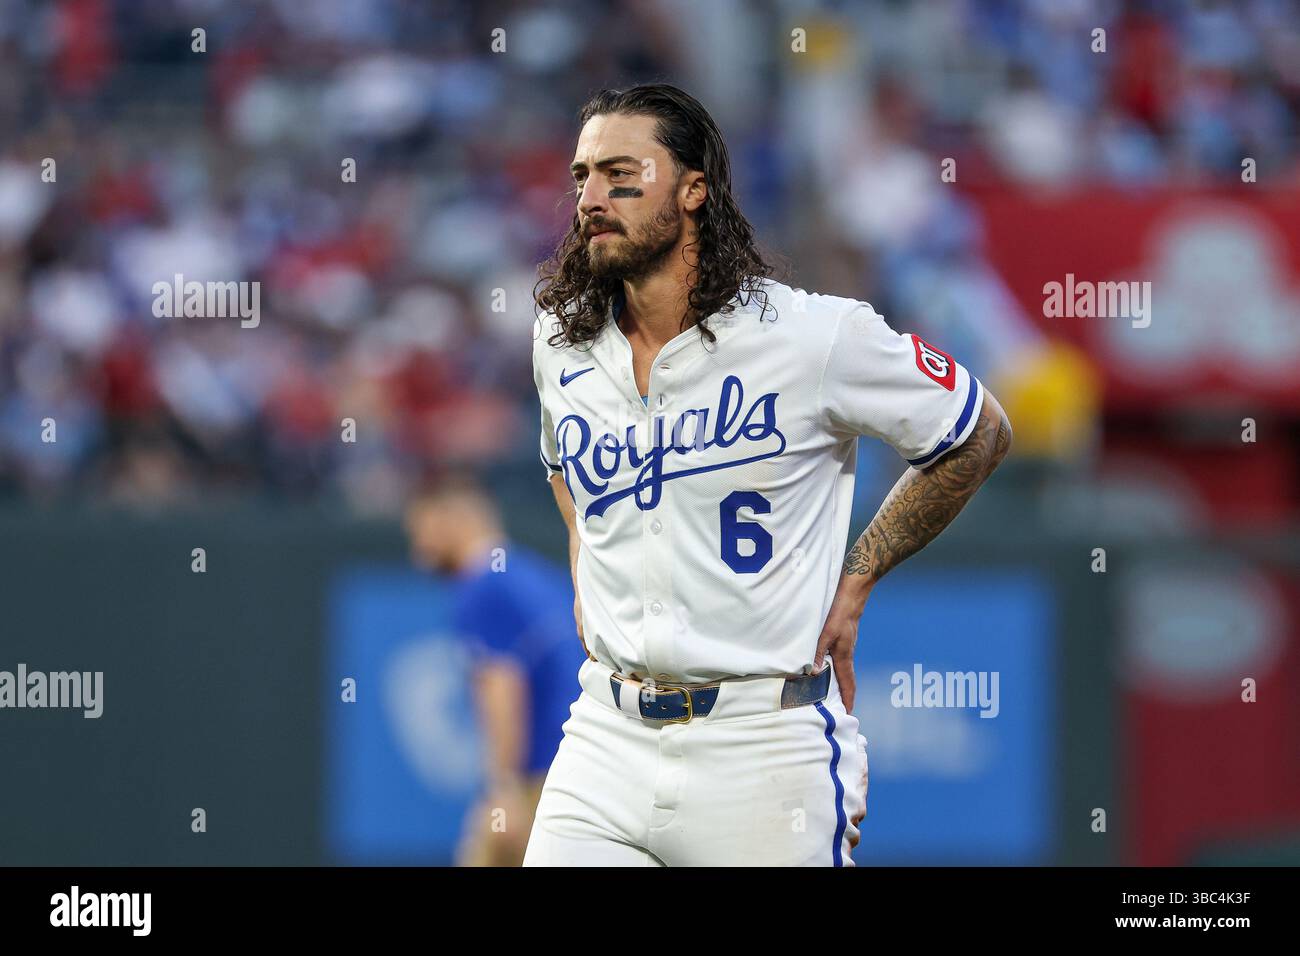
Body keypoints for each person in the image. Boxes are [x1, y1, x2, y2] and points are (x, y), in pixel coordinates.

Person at [525, 84, 1013, 867]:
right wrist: (585, 558)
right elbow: (563, 463)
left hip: (762, 741)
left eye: (621, 174)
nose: (590, 198)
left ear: (693, 190)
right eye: (582, 176)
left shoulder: (813, 337)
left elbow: (976, 429)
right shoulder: (561, 339)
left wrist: (859, 577)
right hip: (604, 738)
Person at [404, 475, 586, 866]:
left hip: (538, 780)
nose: (417, 547)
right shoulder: (530, 574)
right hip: (580, 766)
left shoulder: (483, 586)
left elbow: (502, 687)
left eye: (421, 528)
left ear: (453, 518)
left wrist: (502, 789)